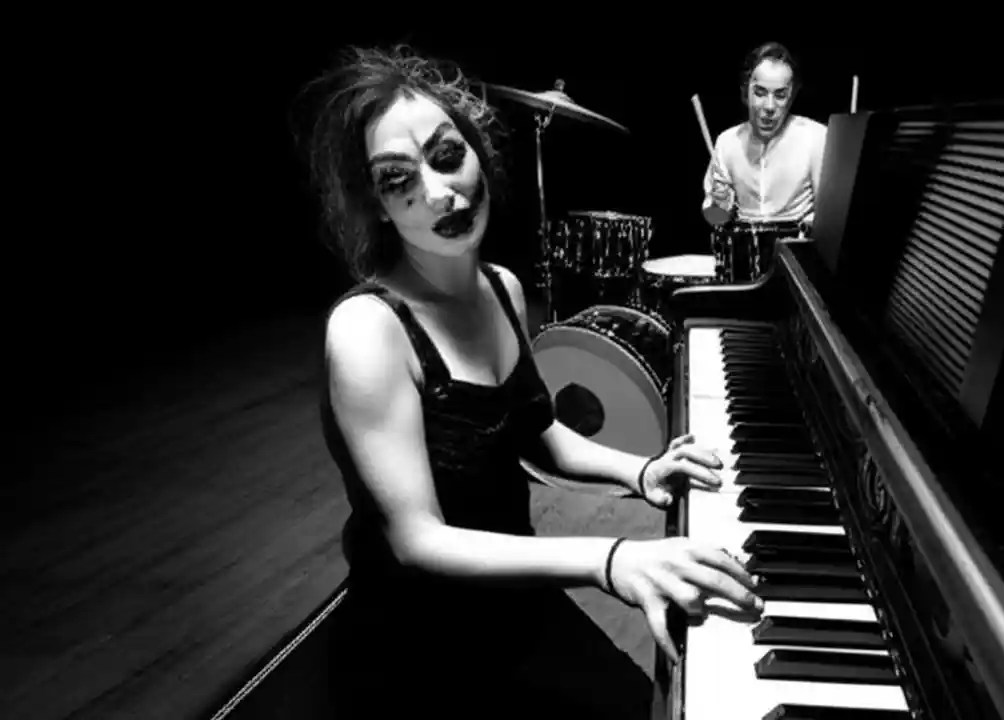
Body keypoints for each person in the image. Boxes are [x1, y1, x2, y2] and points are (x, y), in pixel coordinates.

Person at [293, 45, 762, 717]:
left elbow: (539, 434)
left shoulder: (502, 289)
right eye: (399, 179)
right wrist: (610, 560)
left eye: (446, 154)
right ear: (379, 205)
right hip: (418, 646)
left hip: (515, 609)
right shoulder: (370, 331)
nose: (436, 191)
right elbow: (419, 540)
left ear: (478, 150)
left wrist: (645, 471)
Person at [702, 41, 828, 229]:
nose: (770, 107)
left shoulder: (816, 138)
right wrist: (719, 207)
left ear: (791, 96)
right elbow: (716, 219)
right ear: (746, 92)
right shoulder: (727, 142)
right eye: (760, 93)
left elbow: (830, 216)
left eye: (780, 95)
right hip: (746, 250)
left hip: (795, 249)